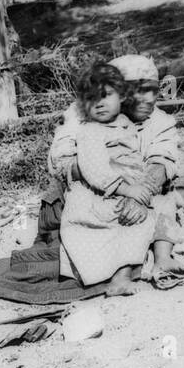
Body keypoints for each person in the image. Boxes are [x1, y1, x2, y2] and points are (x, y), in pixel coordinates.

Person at [46, 53, 184, 276]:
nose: (149, 99)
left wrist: (140, 195)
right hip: (94, 192)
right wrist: (113, 177)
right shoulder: (82, 113)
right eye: (140, 90)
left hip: (138, 195)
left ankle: (160, 258)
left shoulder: (161, 121)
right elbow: (60, 162)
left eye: (153, 90)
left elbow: (162, 162)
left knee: (167, 198)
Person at [58, 62, 158, 294]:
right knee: (109, 229)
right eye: (91, 98)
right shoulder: (90, 131)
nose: (99, 103)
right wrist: (127, 189)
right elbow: (94, 169)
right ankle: (110, 276)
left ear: (122, 96)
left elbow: (136, 158)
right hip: (96, 195)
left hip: (120, 191)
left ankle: (121, 276)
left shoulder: (125, 124)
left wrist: (139, 183)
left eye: (106, 95)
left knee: (143, 221)